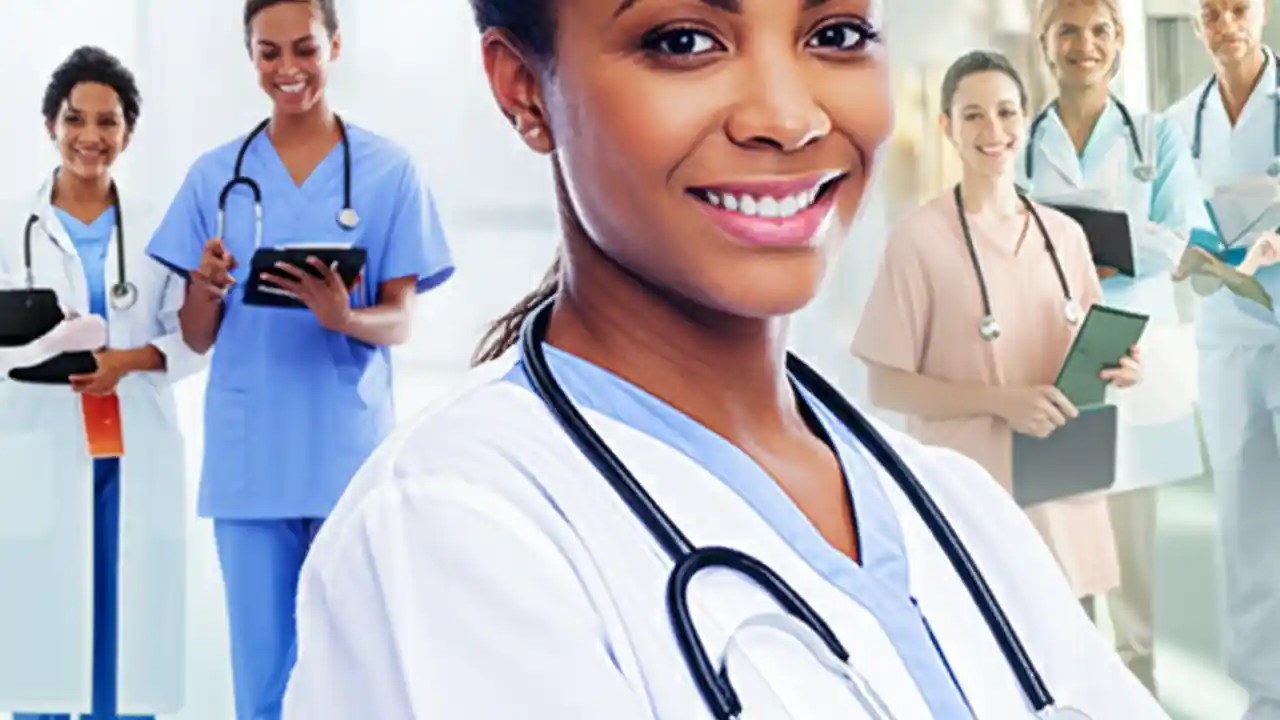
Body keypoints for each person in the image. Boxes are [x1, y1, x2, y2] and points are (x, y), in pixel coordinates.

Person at [280, 3, 1166, 717]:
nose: (786, 116)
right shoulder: (449, 533)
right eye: (684, 40)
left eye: (836, 35)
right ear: (524, 90)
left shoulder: (958, 511)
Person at [143, 1, 454, 718]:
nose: (288, 69)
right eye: (268, 52)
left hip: (346, 453)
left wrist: (342, 316)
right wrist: (204, 283)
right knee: (260, 682)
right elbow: (195, 337)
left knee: (351, 671)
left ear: (334, 46)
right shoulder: (216, 176)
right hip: (251, 462)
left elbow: (401, 320)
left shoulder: (388, 171)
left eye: (304, 49)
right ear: (250, 57)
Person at [853, 48, 1140, 627]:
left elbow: (1094, 348)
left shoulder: (1065, 236)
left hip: (1065, 498)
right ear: (947, 128)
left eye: (1007, 113)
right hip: (973, 504)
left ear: (1026, 119)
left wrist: (1124, 367)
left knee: (1076, 676)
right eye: (974, 115)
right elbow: (885, 385)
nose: (994, 131)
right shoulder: (918, 241)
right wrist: (998, 401)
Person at [0, 46, 203, 720]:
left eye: (108, 122)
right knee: (42, 631)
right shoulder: (8, 226)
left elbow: (193, 341)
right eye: (75, 119)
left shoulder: (158, 228)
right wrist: (44, 347)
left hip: (129, 449)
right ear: (51, 125)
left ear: (128, 132)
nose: (91, 136)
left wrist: (129, 360)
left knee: (126, 635)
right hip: (42, 445)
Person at [1017, 0, 1210, 694]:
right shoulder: (1022, 140)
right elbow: (1003, 235)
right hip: (1051, 343)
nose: (1085, 45)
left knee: (1131, 537)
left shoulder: (1155, 137)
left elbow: (1183, 236)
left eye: (1100, 30)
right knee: (1063, 523)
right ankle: (1076, 685)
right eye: (1067, 30)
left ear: (1119, 40)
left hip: (1129, 346)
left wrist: (1107, 246)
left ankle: (1140, 680)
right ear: (1045, 43)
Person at [1166, 0, 1280, 716]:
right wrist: (1183, 254)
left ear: (1263, 13)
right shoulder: (1179, 124)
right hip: (1228, 337)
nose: (1225, 24)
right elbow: (1163, 220)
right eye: (1210, 13)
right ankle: (1266, 688)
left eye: (1237, 8)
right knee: (1245, 520)